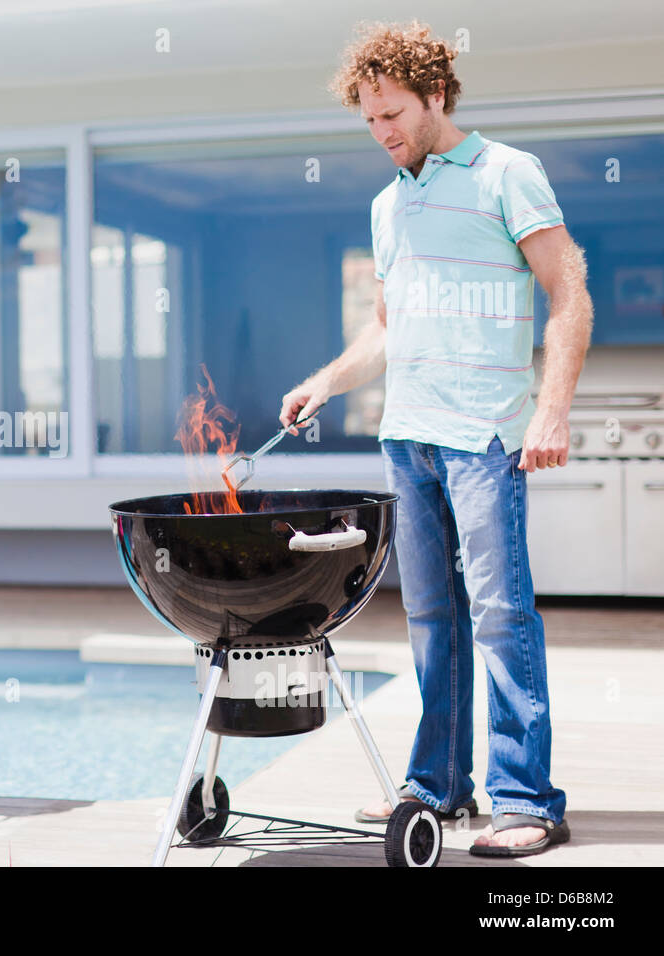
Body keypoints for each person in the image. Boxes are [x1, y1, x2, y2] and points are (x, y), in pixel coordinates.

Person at [280, 22, 592, 857]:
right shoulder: (388, 205)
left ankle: (527, 799)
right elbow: (388, 331)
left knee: (498, 615)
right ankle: (440, 786)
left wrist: (551, 410)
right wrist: (324, 382)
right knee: (429, 618)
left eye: (394, 114)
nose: (383, 132)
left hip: (485, 438)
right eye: (370, 119)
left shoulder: (505, 174)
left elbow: (569, 290)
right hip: (406, 439)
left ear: (437, 97)